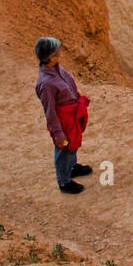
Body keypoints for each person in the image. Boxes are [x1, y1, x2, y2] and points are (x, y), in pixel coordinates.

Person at [34, 37, 92, 195]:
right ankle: (64, 182)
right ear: (49, 57)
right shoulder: (46, 84)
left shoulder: (57, 69)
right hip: (63, 119)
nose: (60, 54)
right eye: (57, 52)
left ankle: (72, 167)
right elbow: (50, 111)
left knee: (73, 143)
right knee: (64, 147)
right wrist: (58, 133)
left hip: (71, 115)